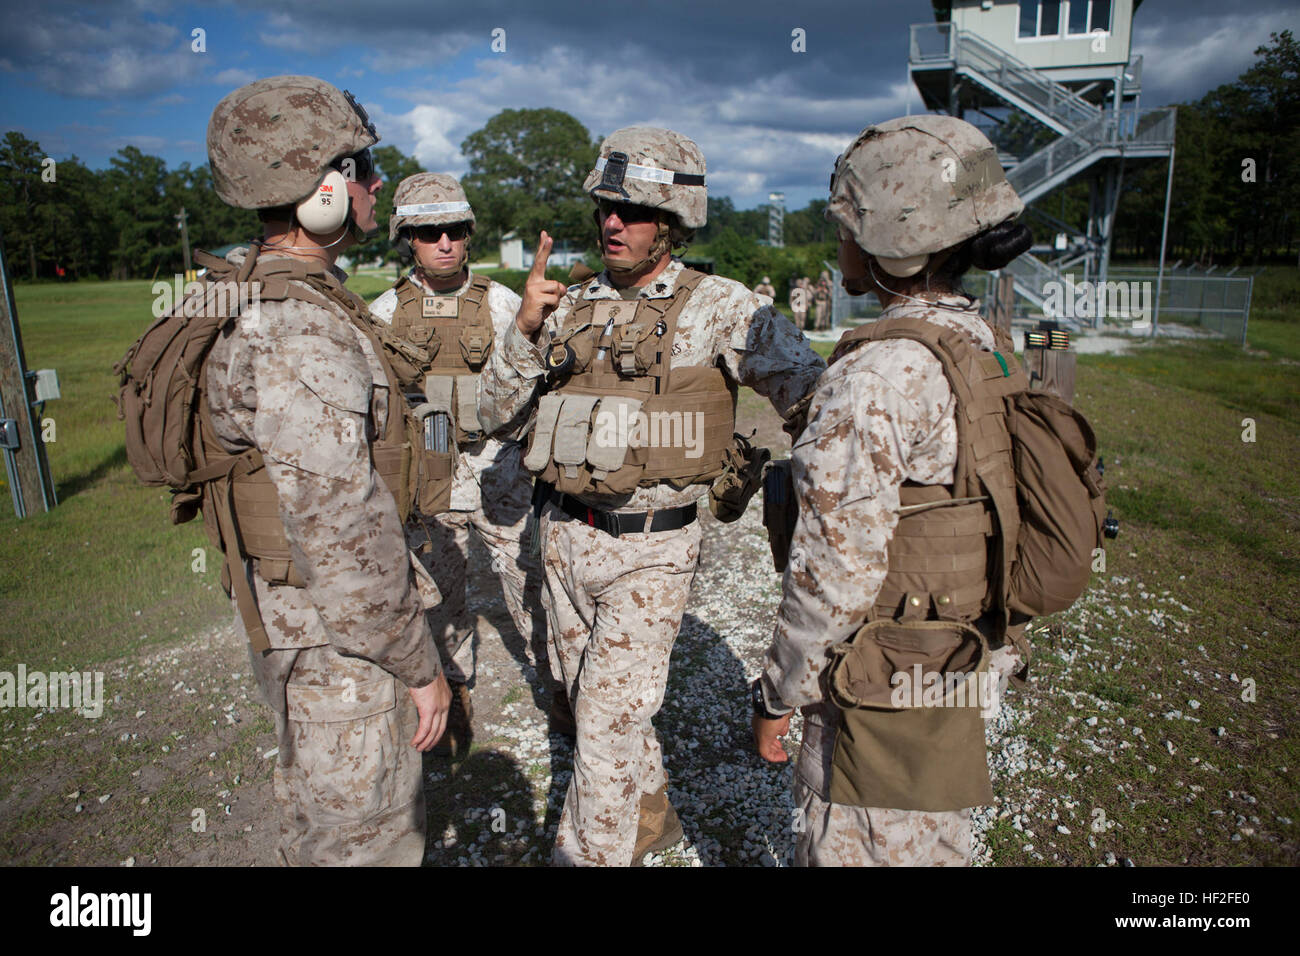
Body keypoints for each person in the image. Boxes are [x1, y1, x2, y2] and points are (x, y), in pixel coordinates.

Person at [479, 126, 824, 866]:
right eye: (606, 206)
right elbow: (491, 415)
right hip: (564, 537)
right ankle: (651, 813)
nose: (612, 222)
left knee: (604, 726)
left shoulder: (722, 309)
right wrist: (524, 329)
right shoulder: (566, 306)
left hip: (652, 549)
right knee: (583, 706)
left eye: (632, 211)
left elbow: (818, 400)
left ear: (670, 222)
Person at [752, 115, 1035, 866]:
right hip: (961, 655)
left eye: (846, 222)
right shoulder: (985, 344)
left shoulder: (875, 374)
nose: (837, 239)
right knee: (932, 838)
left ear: (890, 239)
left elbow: (834, 574)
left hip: (880, 681)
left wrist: (778, 697)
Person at [203, 75, 449, 865]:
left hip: (293, 623)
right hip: (339, 644)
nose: (377, 187)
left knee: (316, 821)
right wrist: (417, 665)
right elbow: (341, 528)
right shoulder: (299, 329)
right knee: (363, 843)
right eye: (366, 171)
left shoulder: (252, 294)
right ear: (325, 192)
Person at [367, 173, 558, 753]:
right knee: (440, 593)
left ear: (469, 234)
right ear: (409, 240)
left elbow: (542, 379)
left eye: (453, 230)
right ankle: (452, 692)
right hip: (429, 470)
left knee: (528, 581)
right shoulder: (382, 313)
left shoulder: (505, 304)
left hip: (500, 466)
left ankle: (561, 686)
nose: (443, 242)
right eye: (429, 233)